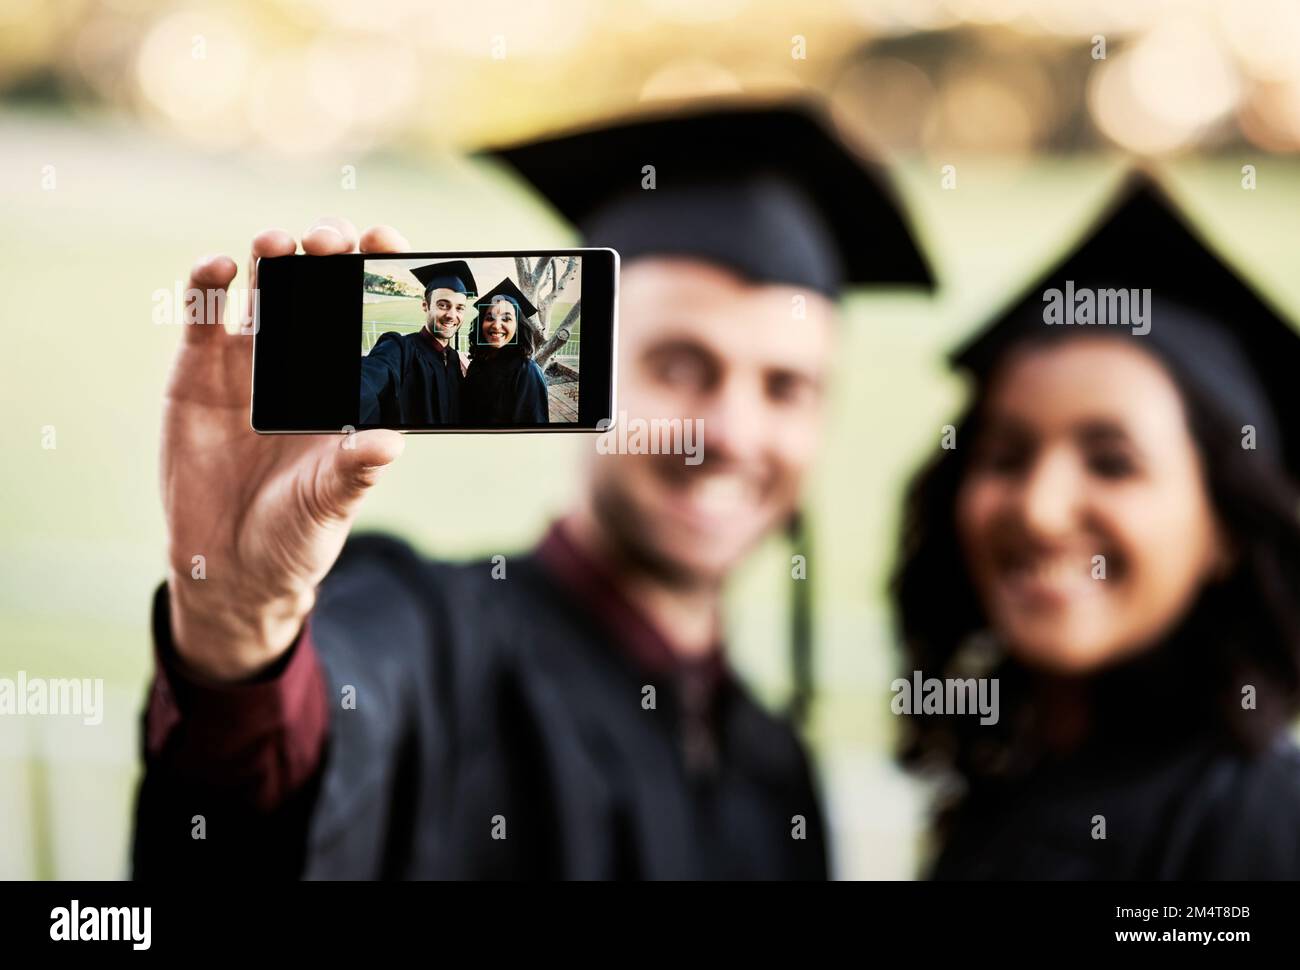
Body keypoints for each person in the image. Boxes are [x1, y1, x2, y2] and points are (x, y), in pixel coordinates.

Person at [133, 100, 932, 879]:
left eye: (786, 387)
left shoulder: (777, 768)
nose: (729, 432)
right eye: (680, 367)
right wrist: (238, 624)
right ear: (586, 380)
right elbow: (288, 764)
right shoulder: (429, 634)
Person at [892, 173, 1300, 880]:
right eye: (1006, 456)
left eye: (1112, 464)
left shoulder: (1258, 822)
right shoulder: (1004, 790)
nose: (1039, 509)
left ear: (1226, 529)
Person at [358, 260, 474, 426]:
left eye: (459, 308)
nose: (451, 315)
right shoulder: (399, 348)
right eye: (443, 305)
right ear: (425, 306)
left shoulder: (454, 359)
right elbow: (371, 377)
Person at [463, 277, 550, 425]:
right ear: (481, 324)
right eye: (489, 317)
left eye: (506, 319)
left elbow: (533, 431)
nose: (496, 326)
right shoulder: (478, 364)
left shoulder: (527, 372)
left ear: (518, 327)